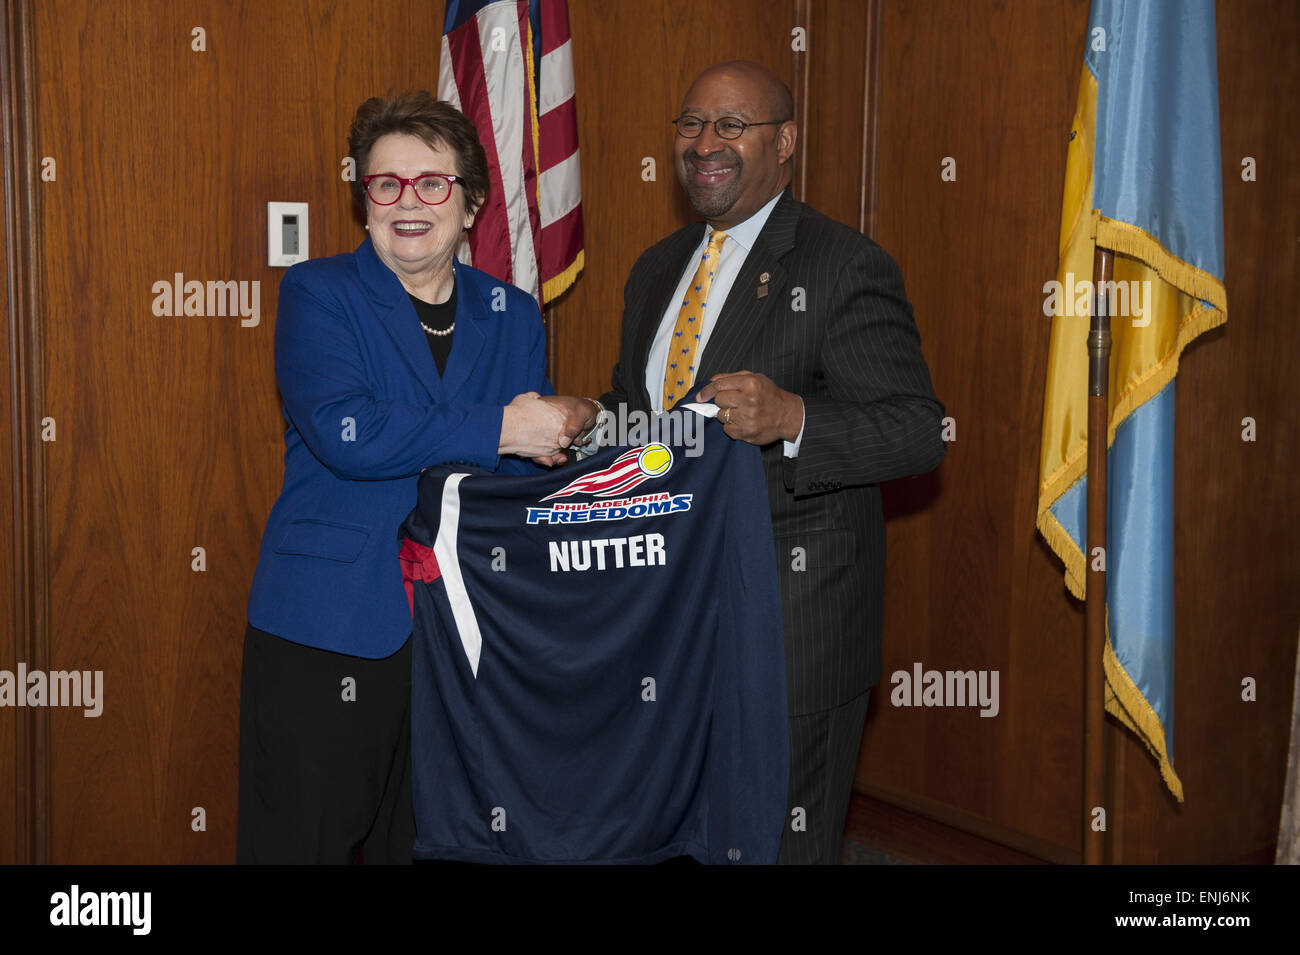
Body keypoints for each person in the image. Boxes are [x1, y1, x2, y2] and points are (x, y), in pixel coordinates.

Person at [588, 61, 946, 864]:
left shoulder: (841, 264)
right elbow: (649, 422)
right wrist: (589, 423)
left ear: (785, 142)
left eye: (731, 125)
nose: (704, 144)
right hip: (669, 615)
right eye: (690, 125)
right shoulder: (655, 269)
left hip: (792, 624)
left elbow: (921, 430)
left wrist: (794, 417)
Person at [239, 91, 597, 864]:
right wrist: (504, 424)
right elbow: (351, 433)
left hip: (462, 628)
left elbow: (506, 480)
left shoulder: (512, 312)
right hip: (330, 624)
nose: (409, 202)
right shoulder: (318, 293)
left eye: (432, 183)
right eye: (386, 183)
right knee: (304, 840)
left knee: (428, 839)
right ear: (363, 201)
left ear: (469, 205)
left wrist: (566, 437)